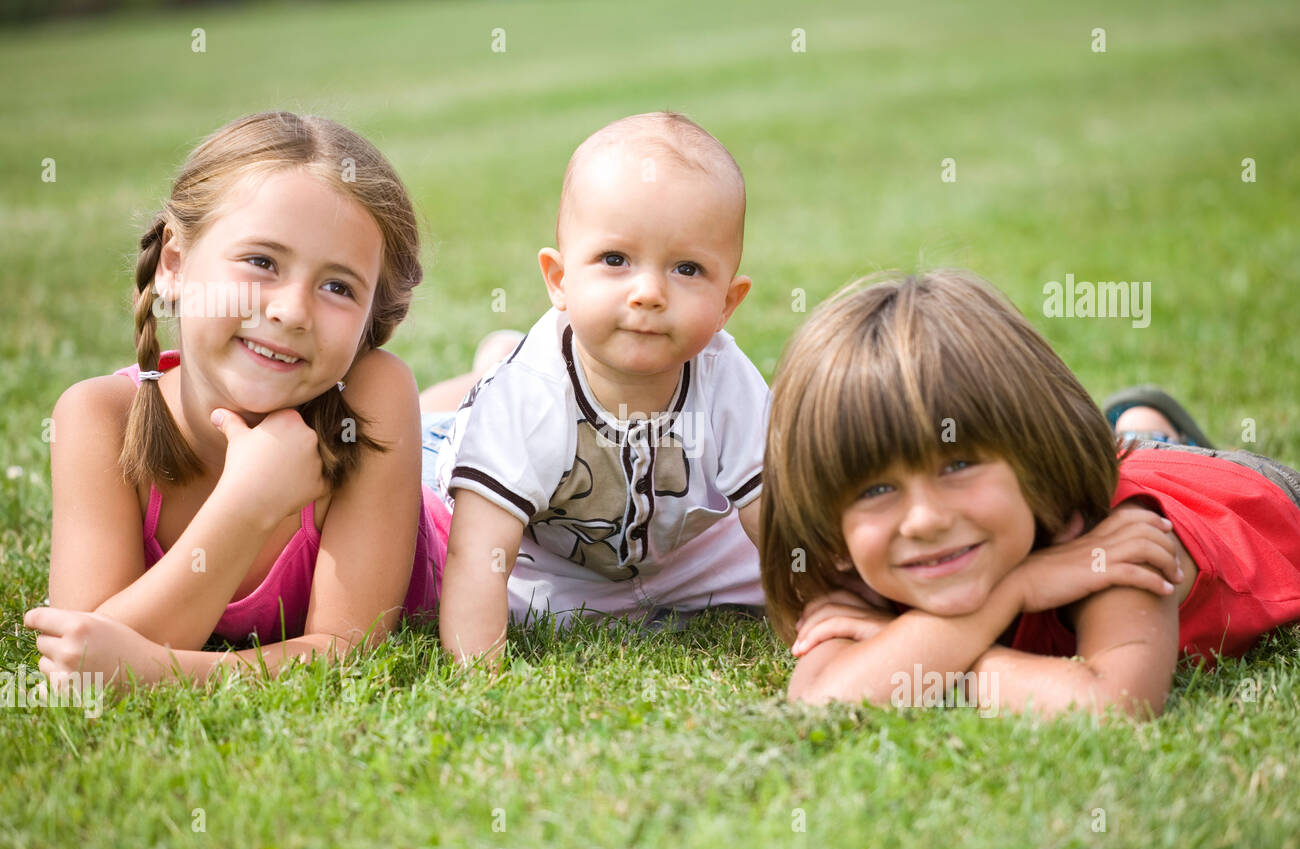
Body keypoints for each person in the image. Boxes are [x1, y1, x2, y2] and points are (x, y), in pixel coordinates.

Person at [28, 111, 449, 689]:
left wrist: (159, 672)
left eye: (337, 287)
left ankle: (486, 372)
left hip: (448, 477)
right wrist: (248, 501)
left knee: (459, 425)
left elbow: (347, 649)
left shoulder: (371, 398)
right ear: (174, 264)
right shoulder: (98, 418)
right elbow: (81, 650)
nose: (291, 311)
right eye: (261, 262)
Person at [761, 270, 1300, 719]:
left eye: (958, 465)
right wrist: (1018, 588)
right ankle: (1143, 427)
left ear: (1036, 460)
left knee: (1139, 461)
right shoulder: (864, 557)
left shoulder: (1118, 542)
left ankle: (1150, 435)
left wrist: (911, 652)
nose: (924, 520)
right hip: (1129, 471)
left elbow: (1114, 707)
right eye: (877, 489)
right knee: (1132, 450)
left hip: (1247, 494)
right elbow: (821, 698)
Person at [425, 111, 769, 665]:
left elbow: (777, 521)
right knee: (433, 557)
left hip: (681, 555)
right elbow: (480, 551)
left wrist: (821, 629)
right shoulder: (531, 395)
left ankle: (495, 355)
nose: (649, 292)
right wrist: (478, 678)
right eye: (615, 260)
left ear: (728, 302)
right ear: (559, 280)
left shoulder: (725, 375)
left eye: (686, 269)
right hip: (542, 559)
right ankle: (476, 378)